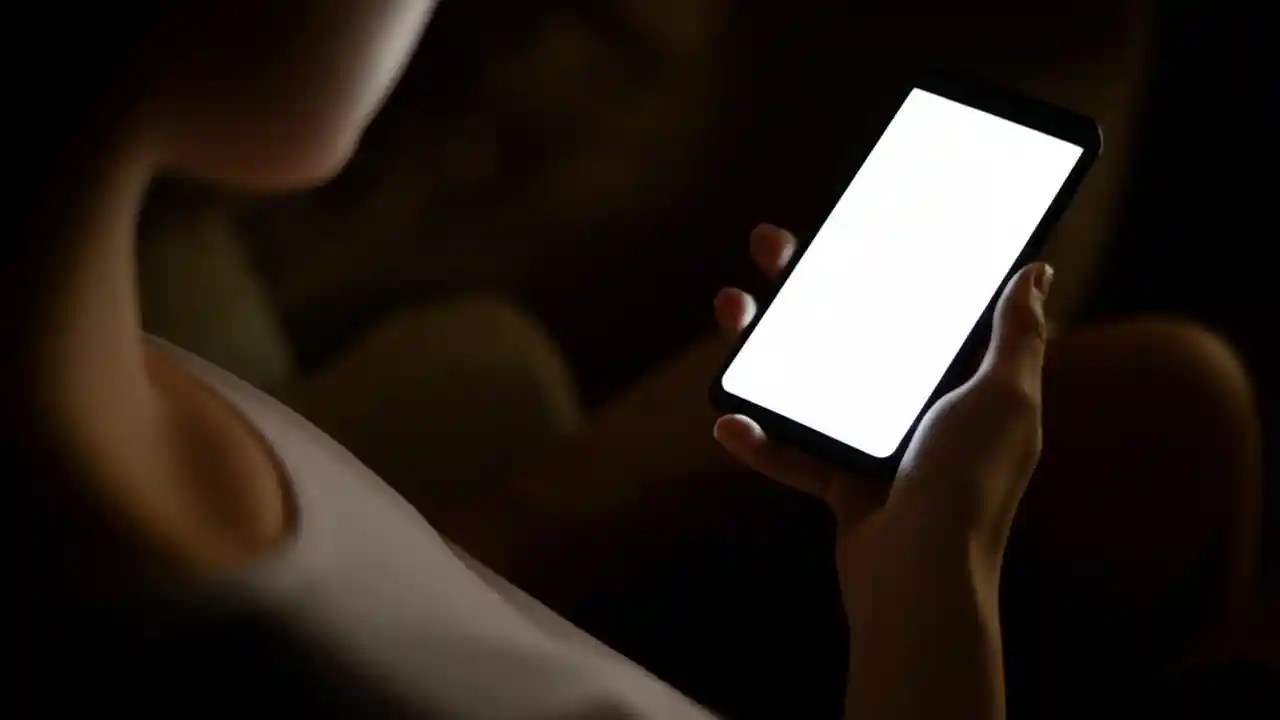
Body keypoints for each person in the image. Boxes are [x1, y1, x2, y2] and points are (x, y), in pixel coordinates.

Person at [9, 2, 1261, 718]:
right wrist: (932, 591)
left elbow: (433, 573)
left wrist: (548, 507)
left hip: (499, 565)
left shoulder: (116, 360)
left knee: (1171, 403)